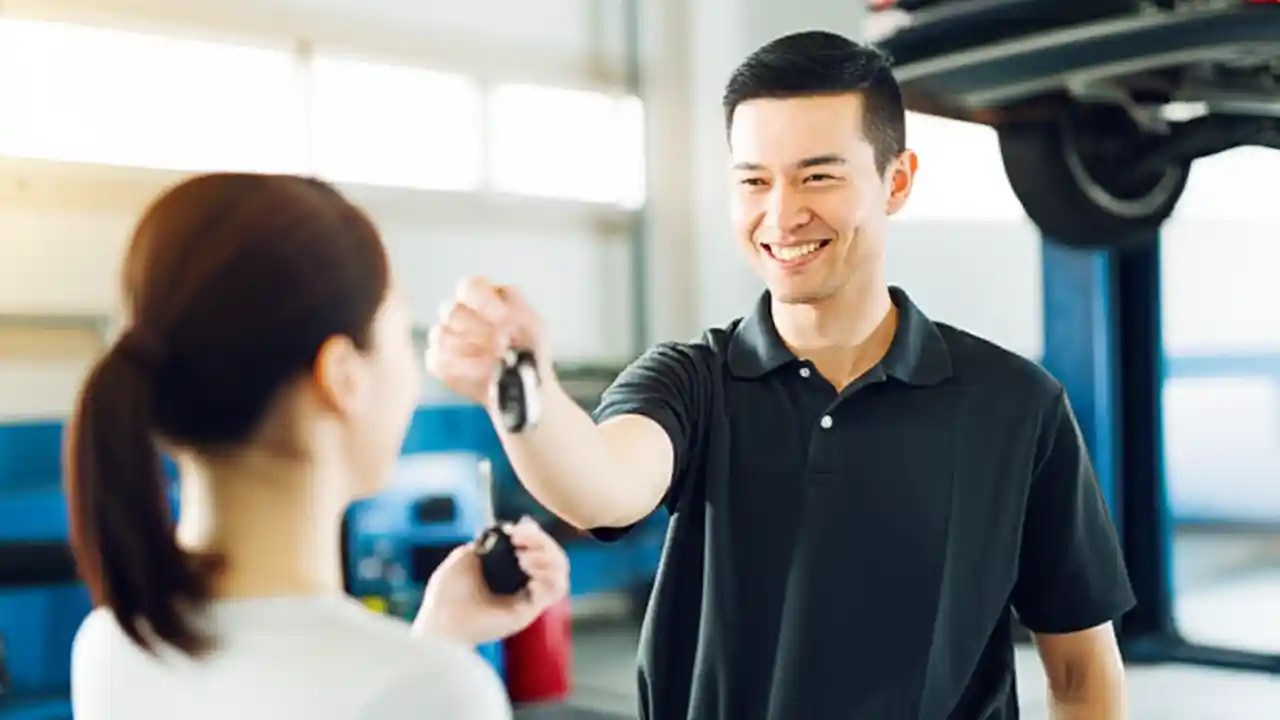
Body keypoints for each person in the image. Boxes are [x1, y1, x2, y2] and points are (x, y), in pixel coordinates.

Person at [427, 30, 1135, 720]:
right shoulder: (692, 382)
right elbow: (602, 489)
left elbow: (1081, 675)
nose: (781, 214)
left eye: (817, 176)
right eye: (754, 181)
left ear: (897, 181)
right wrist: (519, 392)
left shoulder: (1015, 406)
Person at [65, 173, 569, 720]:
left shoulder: (111, 646)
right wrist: (433, 661)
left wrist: (440, 635)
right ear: (343, 376)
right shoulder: (435, 691)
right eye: (401, 333)